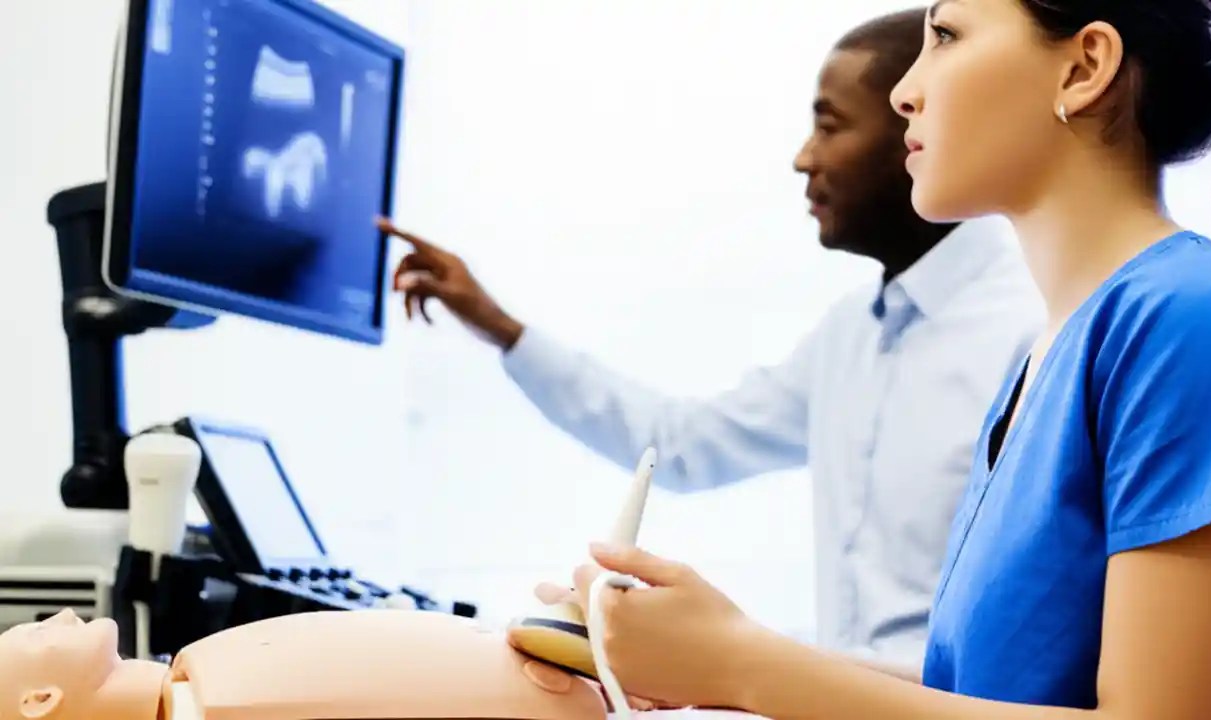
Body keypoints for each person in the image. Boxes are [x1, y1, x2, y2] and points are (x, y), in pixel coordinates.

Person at [538, 1, 1211, 718]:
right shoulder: (1047, 354)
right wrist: (705, 659)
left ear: (1084, 67)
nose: (904, 92)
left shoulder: (1192, 315)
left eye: (947, 34)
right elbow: (982, 690)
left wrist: (743, 665)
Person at [382, 7, 1044, 673]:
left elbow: (1022, 652)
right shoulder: (851, 335)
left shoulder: (1035, 329)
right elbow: (680, 446)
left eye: (829, 125)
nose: (803, 158)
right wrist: (499, 328)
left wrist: (735, 663)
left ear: (918, 125)